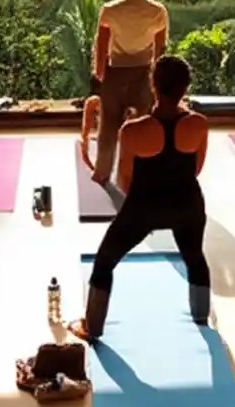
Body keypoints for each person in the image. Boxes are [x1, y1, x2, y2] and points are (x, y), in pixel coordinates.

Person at [70, 55, 210, 339]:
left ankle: (92, 327)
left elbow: (124, 181)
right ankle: (201, 319)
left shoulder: (133, 130)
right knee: (195, 258)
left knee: (105, 262)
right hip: (187, 205)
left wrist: (144, 204)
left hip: (144, 208)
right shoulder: (199, 124)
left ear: (153, 85)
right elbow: (196, 168)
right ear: (185, 88)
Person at [92, 0, 169, 184]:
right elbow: (160, 48)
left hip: (115, 72)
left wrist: (99, 73)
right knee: (143, 124)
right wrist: (156, 79)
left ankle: (102, 172)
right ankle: (140, 172)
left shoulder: (111, 9)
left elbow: (102, 44)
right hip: (144, 73)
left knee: (108, 125)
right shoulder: (158, 11)